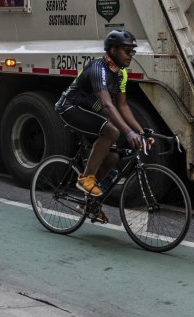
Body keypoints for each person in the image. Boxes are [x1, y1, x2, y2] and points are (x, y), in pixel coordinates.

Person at [55, 30, 152, 203]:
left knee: (113, 158)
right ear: (113, 50)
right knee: (112, 131)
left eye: (133, 51)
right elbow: (108, 105)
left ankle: (89, 203)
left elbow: (122, 106)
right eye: (126, 50)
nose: (131, 55)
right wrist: (129, 133)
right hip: (70, 107)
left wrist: (141, 132)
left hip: (90, 111)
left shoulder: (121, 74)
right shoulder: (98, 68)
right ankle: (86, 178)